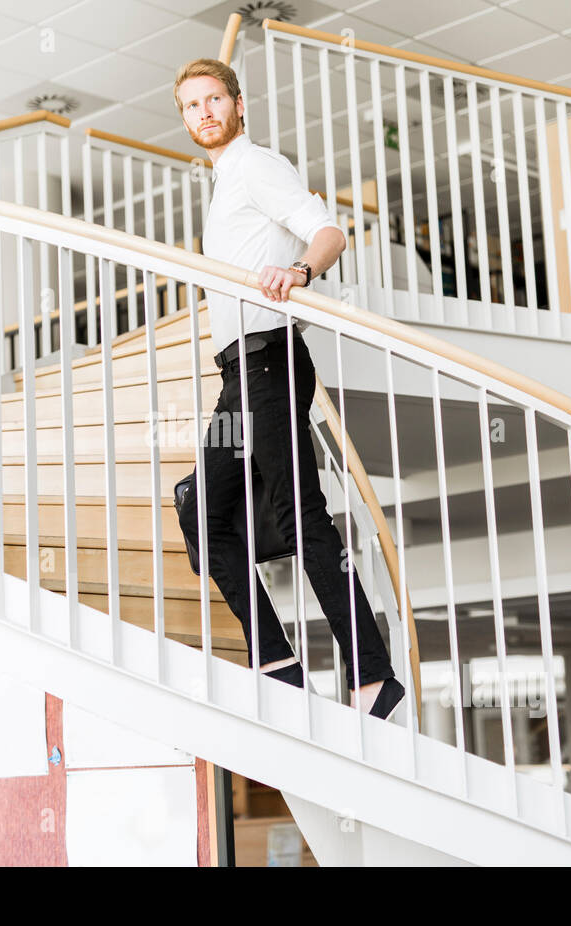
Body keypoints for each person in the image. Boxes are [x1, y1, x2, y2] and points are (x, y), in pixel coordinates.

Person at [172, 58, 405, 720]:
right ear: (185, 119)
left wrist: (300, 270)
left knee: (297, 514)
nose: (205, 112)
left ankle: (372, 674)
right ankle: (276, 662)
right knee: (198, 505)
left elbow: (328, 230)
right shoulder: (223, 185)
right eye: (192, 106)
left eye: (214, 99)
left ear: (238, 105)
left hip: (270, 361)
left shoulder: (255, 166)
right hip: (236, 373)